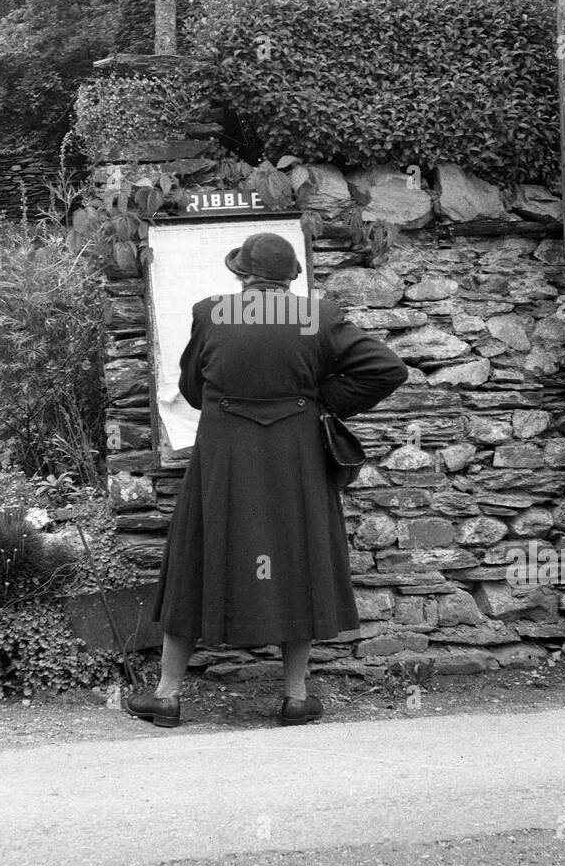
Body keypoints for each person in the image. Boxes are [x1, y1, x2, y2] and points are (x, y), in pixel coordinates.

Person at [126, 232, 409, 728]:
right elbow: (387, 369)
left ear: (242, 275)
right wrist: (318, 400)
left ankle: (167, 696)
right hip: (294, 453)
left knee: (197, 556)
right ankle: (296, 697)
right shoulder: (316, 315)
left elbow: (193, 388)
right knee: (295, 554)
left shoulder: (211, 311)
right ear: (290, 277)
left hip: (223, 454)